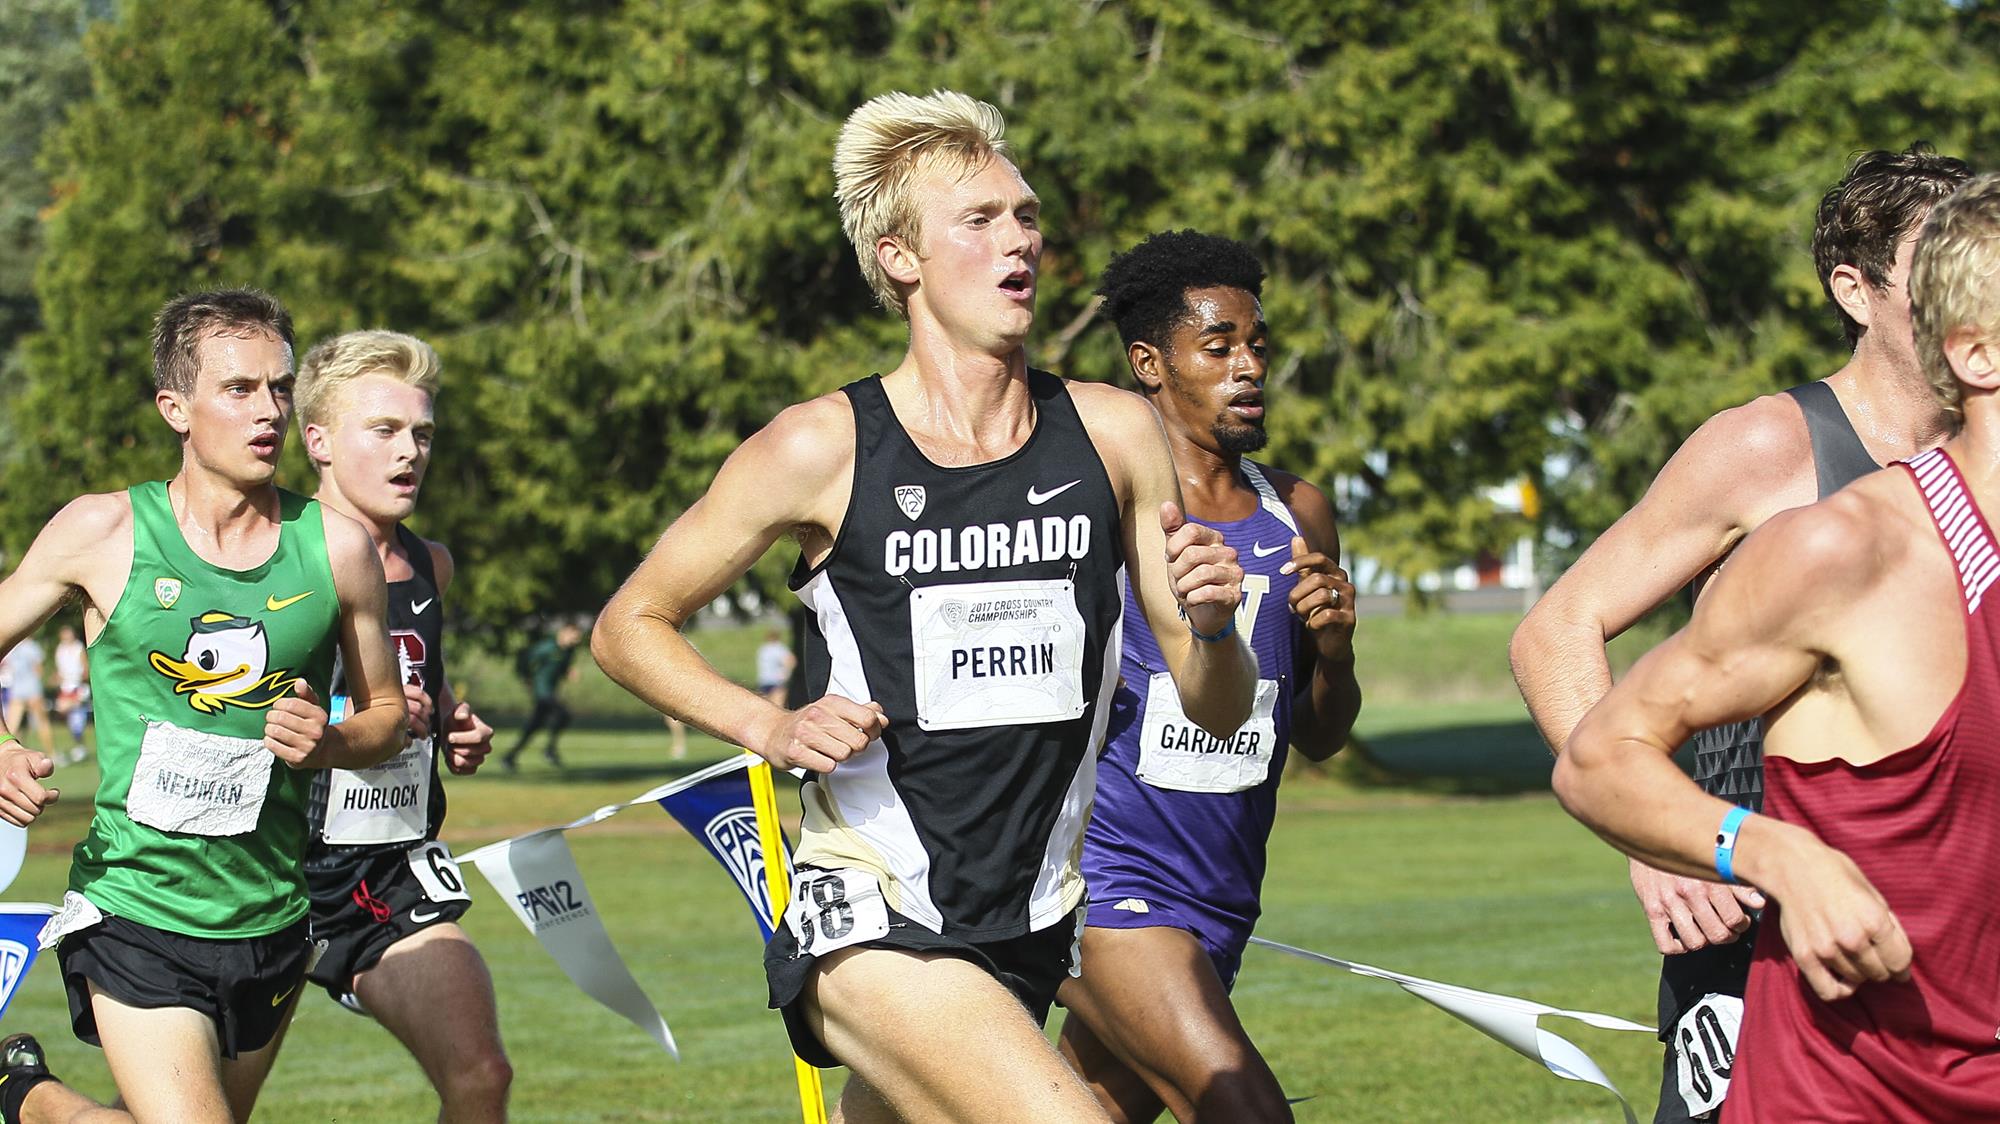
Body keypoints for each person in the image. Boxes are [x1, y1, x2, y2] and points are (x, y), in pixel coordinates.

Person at [591, 89, 1255, 1123]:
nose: (1018, 240)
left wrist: (1213, 631)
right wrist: (767, 722)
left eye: (1025, 215)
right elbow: (628, 623)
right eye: (979, 220)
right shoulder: (821, 445)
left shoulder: (1116, 434)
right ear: (900, 257)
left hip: (1031, 917)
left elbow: (1213, 706)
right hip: (868, 908)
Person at [1508, 143, 1970, 1122]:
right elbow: (1555, 628)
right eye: (1938, 257)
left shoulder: (1982, 463)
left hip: (1940, 910)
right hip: (1751, 901)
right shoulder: (1769, 446)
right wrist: (1659, 840)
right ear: (1853, 288)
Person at [0, 288, 407, 1124]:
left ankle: (30, 1102)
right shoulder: (103, 531)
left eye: (281, 388)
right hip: (134, 907)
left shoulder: (335, 547)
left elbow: (389, 715)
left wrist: (331, 742)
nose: (270, 412)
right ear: (174, 408)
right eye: (240, 390)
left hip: (271, 914)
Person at [1054, 230, 1361, 1123]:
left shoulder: (1297, 513)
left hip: (1221, 889)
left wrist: (1335, 652)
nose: (1249, 367)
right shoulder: (1107, 507)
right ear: (1151, 363)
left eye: (1257, 345)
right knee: (1247, 1112)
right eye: (1218, 346)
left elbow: (1321, 734)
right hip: (1107, 878)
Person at [293, 329, 511, 1121]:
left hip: (390, 868)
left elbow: (423, 672)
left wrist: (452, 718)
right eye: (382, 431)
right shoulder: (275, 559)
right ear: (316, 441)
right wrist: (362, 716)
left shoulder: (429, 562)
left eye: (420, 433)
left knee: (481, 1074)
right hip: (271, 866)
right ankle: (30, 1097)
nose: (408, 452)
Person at [501, 623, 581, 771]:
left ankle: (509, 757)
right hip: (542, 692)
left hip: (550, 692)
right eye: (573, 637)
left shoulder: (569, 651)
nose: (575, 641)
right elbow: (524, 659)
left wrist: (568, 671)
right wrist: (527, 679)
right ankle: (549, 750)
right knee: (563, 715)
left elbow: (561, 666)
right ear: (563, 633)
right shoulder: (546, 648)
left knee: (534, 726)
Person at [0, 637, 53, 761]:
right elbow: (39, 670)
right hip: (29, 688)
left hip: (19, 689)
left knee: (11, 726)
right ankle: (52, 754)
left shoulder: (12, 647)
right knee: (41, 722)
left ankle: (7, 755)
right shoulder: (31, 647)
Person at [51, 626, 89, 764]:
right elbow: (59, 669)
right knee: (71, 720)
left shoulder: (79, 648)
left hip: (77, 687)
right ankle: (80, 746)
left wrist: (79, 677)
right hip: (65, 688)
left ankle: (80, 747)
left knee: (74, 718)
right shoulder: (60, 649)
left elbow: (85, 669)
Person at [755, 628, 795, 707]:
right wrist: (786, 673)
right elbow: (791, 661)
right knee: (778, 707)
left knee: (766, 707)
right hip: (777, 681)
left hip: (764, 680)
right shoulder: (779, 648)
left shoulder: (763, 649)